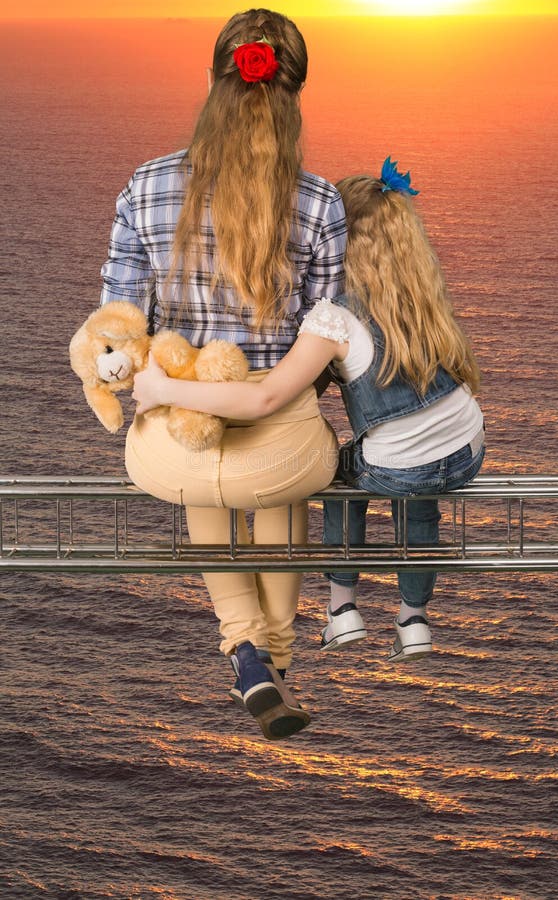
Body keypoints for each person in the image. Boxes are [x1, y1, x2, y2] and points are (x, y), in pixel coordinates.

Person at [133, 156, 486, 673]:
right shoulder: (420, 296)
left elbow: (266, 399)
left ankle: (342, 607)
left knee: (337, 480)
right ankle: (414, 621)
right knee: (419, 505)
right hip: (464, 449)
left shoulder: (333, 319)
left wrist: (164, 387)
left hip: (396, 464)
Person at [100, 9, 346, 741]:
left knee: (203, 450)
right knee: (281, 470)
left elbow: (115, 328)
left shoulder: (145, 187)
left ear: (214, 82)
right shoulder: (322, 203)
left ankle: (243, 649)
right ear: (295, 96)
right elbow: (324, 347)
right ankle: (274, 653)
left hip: (170, 454)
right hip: (278, 452)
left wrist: (159, 384)